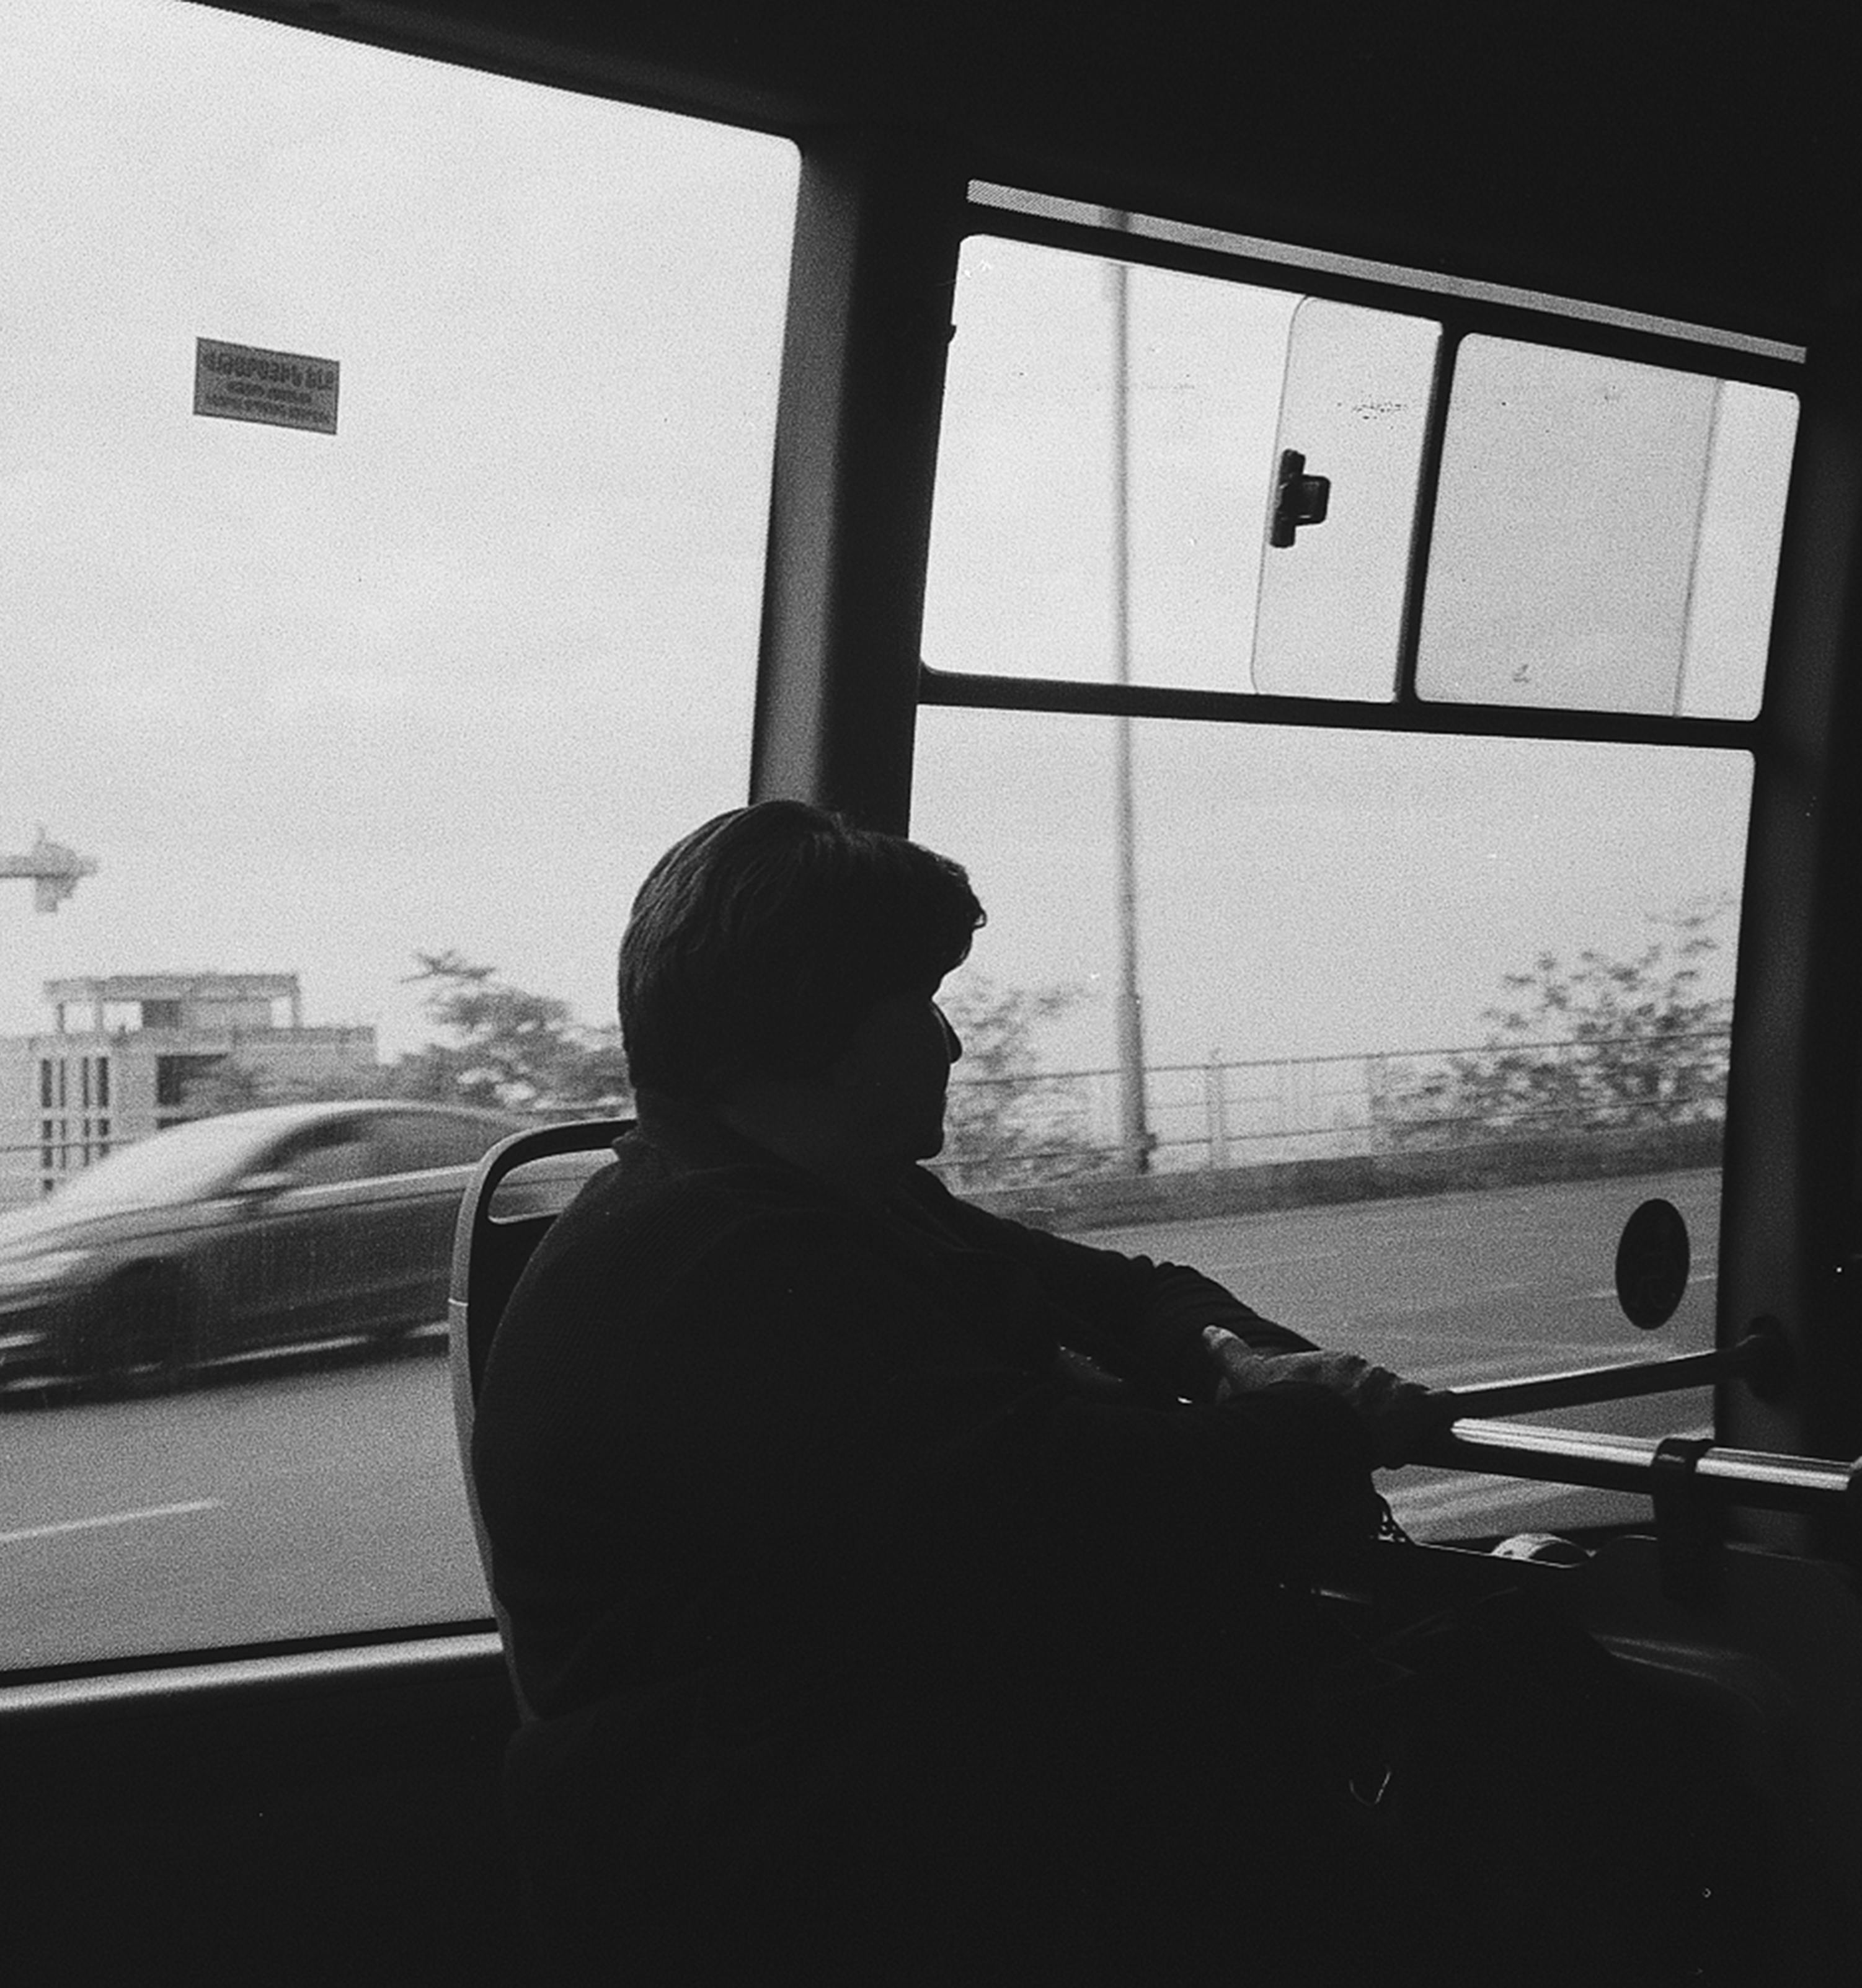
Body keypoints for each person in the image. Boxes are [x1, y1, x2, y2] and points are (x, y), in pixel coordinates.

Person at [471, 800, 1445, 1985]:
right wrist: (1318, 1418)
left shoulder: (831, 1199)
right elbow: (1068, 1503)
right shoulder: (717, 1257)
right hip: (791, 1880)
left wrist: (1229, 1361)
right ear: (821, 1018)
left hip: (867, 1824)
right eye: (922, 1001)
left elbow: (1130, 1289)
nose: (950, 1042)